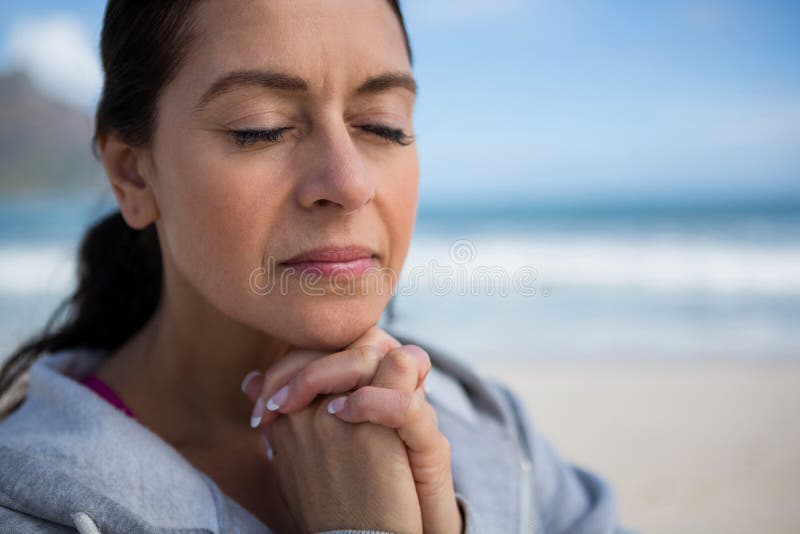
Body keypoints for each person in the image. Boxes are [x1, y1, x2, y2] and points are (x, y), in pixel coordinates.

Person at [0, 1, 638, 533]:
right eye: (262, 128)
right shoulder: (33, 503)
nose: (349, 182)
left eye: (382, 126)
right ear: (133, 173)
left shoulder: (488, 425)